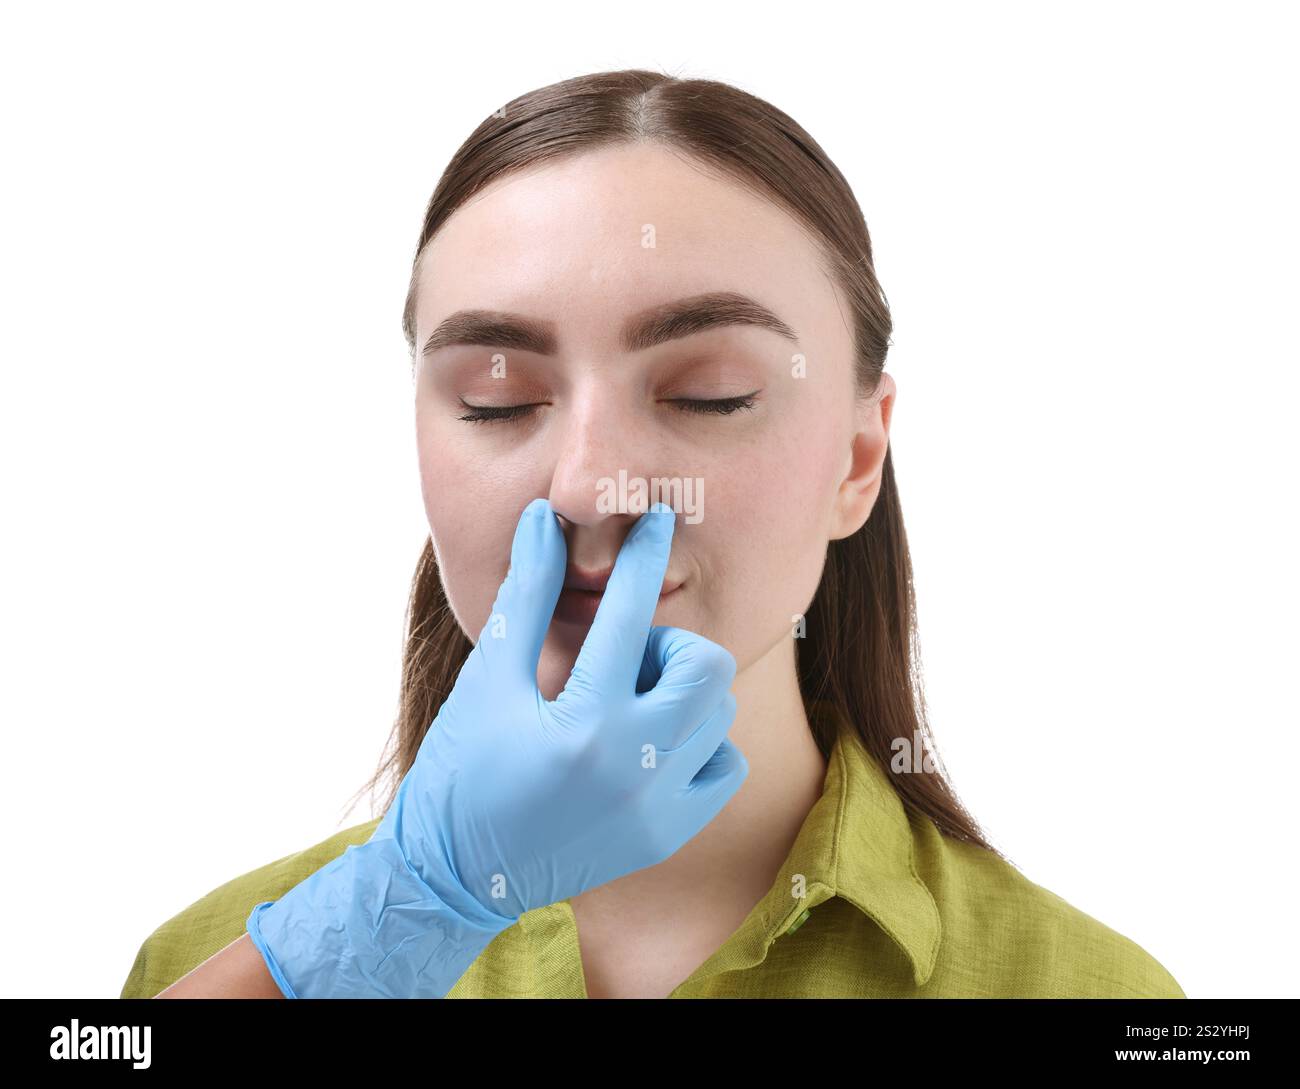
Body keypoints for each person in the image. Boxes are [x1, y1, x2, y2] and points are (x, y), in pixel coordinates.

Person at [121, 68, 1185, 1000]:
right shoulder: (218, 960)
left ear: (858, 462)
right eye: (495, 400)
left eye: (710, 394)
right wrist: (407, 909)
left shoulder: (1099, 997)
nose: (592, 484)